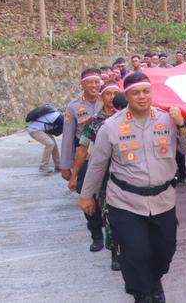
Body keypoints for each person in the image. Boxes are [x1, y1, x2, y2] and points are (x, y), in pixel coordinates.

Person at [79, 71, 186, 303]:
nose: (141, 97)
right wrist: (86, 196)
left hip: (163, 200)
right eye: (135, 93)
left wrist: (182, 124)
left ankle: (154, 280)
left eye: (145, 91)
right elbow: (97, 165)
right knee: (135, 252)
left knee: (165, 250)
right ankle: (141, 293)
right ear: (127, 95)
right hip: (125, 201)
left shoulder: (168, 120)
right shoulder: (111, 127)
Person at [70, 80, 124, 271]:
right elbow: (82, 150)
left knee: (114, 214)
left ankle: (116, 252)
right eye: (107, 94)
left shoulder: (127, 119)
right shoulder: (93, 123)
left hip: (122, 174)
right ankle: (97, 236)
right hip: (98, 173)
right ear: (101, 97)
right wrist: (75, 175)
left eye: (114, 94)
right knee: (95, 210)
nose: (111, 97)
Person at [61, 68, 106, 251]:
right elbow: (68, 137)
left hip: (108, 160)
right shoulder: (73, 107)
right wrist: (66, 167)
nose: (94, 86)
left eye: (97, 82)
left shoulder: (108, 100)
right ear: (82, 85)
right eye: (90, 82)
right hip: (85, 160)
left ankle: (110, 232)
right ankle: (96, 235)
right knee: (87, 197)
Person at [26, 106, 61, 173]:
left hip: (42, 130)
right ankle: (43, 166)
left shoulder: (58, 115)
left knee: (54, 145)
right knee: (50, 144)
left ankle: (58, 166)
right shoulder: (60, 118)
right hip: (34, 130)